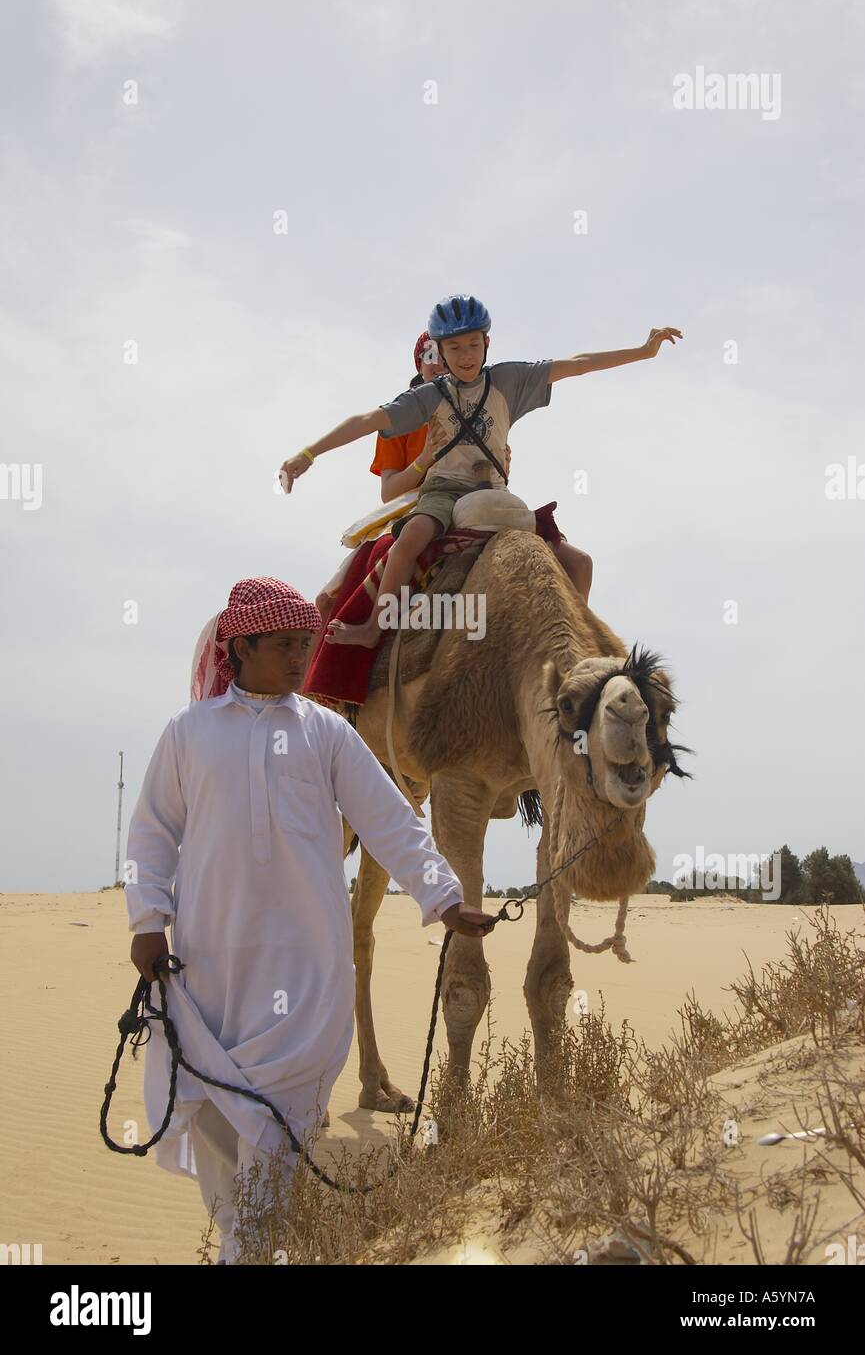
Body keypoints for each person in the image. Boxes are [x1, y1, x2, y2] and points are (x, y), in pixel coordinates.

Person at [124, 576, 496, 1263]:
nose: (303, 658)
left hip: (308, 965)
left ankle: (252, 1247)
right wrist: (147, 919)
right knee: (212, 1106)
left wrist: (442, 897)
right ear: (240, 647)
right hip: (208, 963)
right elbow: (151, 834)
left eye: (307, 643)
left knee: (283, 1110)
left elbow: (391, 821)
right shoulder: (187, 734)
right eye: (287, 645)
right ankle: (246, 1238)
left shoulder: (325, 732)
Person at [281, 295, 681, 645]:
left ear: (487, 343)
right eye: (455, 348)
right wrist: (309, 453)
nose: (466, 355)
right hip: (444, 490)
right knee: (413, 534)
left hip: (494, 492)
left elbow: (577, 364)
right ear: (439, 350)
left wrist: (642, 352)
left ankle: (575, 641)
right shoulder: (428, 396)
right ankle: (373, 628)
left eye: (474, 344)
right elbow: (368, 418)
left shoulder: (509, 380)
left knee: (580, 563)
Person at [371, 331, 594, 600]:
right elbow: (389, 493)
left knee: (576, 562)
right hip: (424, 502)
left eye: (446, 355)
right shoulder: (399, 416)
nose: (439, 363)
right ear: (418, 364)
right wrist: (425, 459)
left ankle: (578, 635)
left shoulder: (483, 403)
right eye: (430, 355)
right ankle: (374, 626)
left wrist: (501, 467)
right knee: (363, 567)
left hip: (483, 496)